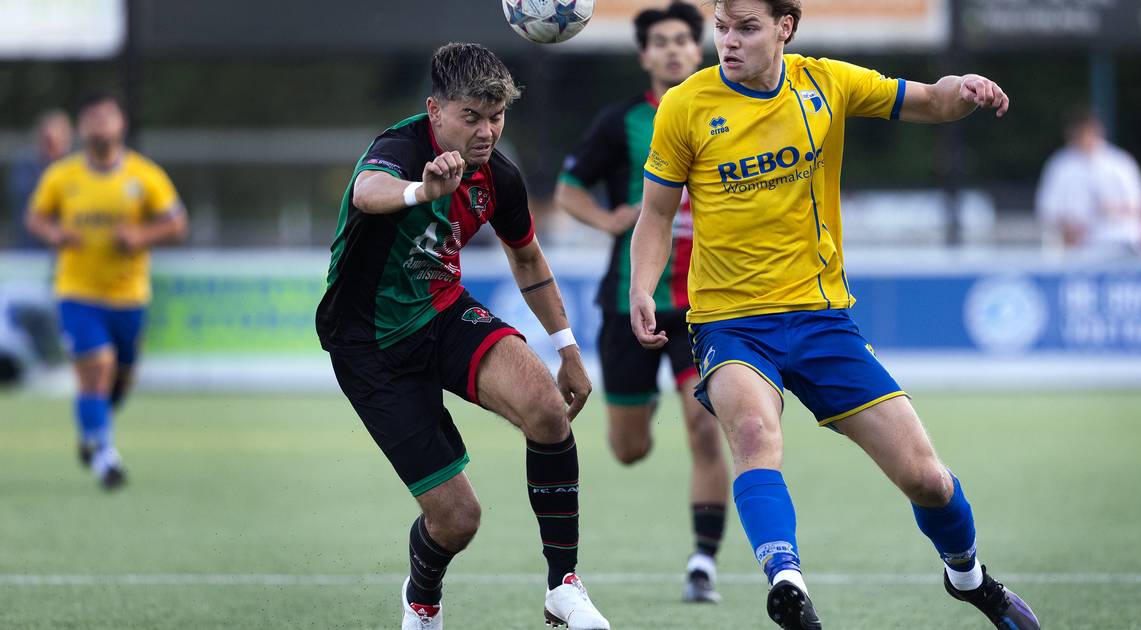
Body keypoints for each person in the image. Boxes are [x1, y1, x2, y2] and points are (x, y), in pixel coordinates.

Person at [629, 1, 1040, 628]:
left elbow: (931, 99)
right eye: (722, 28)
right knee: (754, 435)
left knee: (927, 478)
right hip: (730, 322)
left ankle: (970, 578)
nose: (728, 42)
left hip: (824, 320)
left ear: (784, 28)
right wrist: (642, 285)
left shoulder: (827, 83)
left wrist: (968, 89)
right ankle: (787, 584)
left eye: (747, 28)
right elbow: (656, 213)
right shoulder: (686, 105)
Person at [315, 43, 609, 630]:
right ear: (435, 110)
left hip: (445, 314)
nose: (486, 131)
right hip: (368, 348)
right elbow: (366, 194)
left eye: (496, 117)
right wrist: (422, 191)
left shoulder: (498, 175)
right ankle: (422, 598)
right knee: (458, 520)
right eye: (471, 117)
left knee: (548, 410)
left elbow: (526, 259)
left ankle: (563, 587)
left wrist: (570, 350)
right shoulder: (400, 149)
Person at [554, 1, 731, 604]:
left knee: (707, 432)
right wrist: (610, 220)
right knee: (628, 449)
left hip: (708, 306)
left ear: (699, 47)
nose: (674, 50)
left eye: (684, 39)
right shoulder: (621, 121)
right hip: (629, 304)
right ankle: (645, 400)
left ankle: (703, 563)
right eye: (661, 42)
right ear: (644, 55)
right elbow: (567, 189)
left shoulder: (729, 111)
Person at [25, 92, 188, 490]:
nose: (100, 125)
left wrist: (141, 235)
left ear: (121, 124)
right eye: (92, 118)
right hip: (77, 292)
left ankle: (92, 428)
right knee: (97, 369)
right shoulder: (62, 177)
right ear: (81, 128)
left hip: (129, 296)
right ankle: (105, 456)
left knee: (120, 380)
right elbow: (36, 217)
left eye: (106, 117)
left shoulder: (144, 175)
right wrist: (55, 233)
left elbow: (177, 224)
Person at [1035, 107, 1141, 253]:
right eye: (1079, 133)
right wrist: (1067, 228)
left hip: (1123, 244)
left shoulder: (1120, 163)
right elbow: (1047, 209)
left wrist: (1113, 209)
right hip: (1081, 249)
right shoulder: (1060, 165)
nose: (1085, 138)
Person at [7, 110, 73, 249]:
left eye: (57, 138)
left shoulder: (77, 168)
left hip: (66, 250)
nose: (52, 144)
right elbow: (29, 204)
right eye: (47, 139)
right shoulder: (25, 165)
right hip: (28, 249)